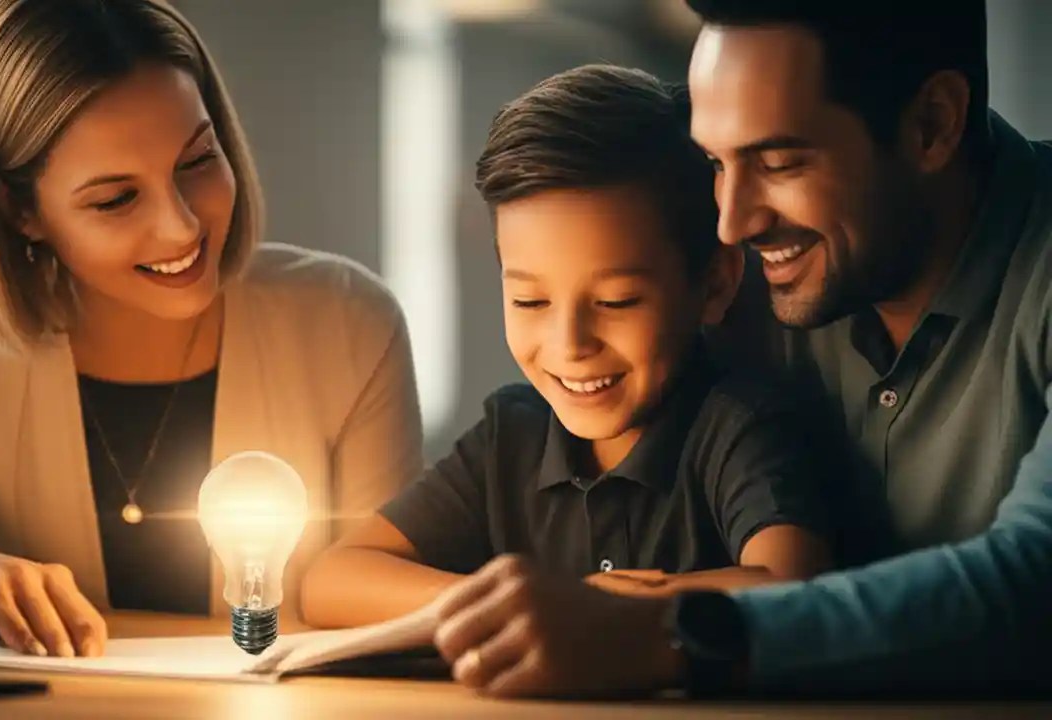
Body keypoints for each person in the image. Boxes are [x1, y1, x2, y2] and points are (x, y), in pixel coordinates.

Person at [429, 0, 1052, 698]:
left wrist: (661, 632)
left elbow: (1034, 580)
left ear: (932, 123)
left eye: (780, 161)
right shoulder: (751, 277)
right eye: (715, 164)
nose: (732, 221)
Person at [0, 0, 422, 660]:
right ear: (19, 208)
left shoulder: (345, 320)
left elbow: (376, 597)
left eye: (197, 160)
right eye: (116, 199)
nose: (182, 228)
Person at [300, 65, 833, 631]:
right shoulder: (513, 435)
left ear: (715, 284)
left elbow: (794, 586)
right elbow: (333, 578)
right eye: (531, 302)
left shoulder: (738, 426)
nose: (570, 344)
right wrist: (511, 605)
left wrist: (596, 609)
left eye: (617, 301)